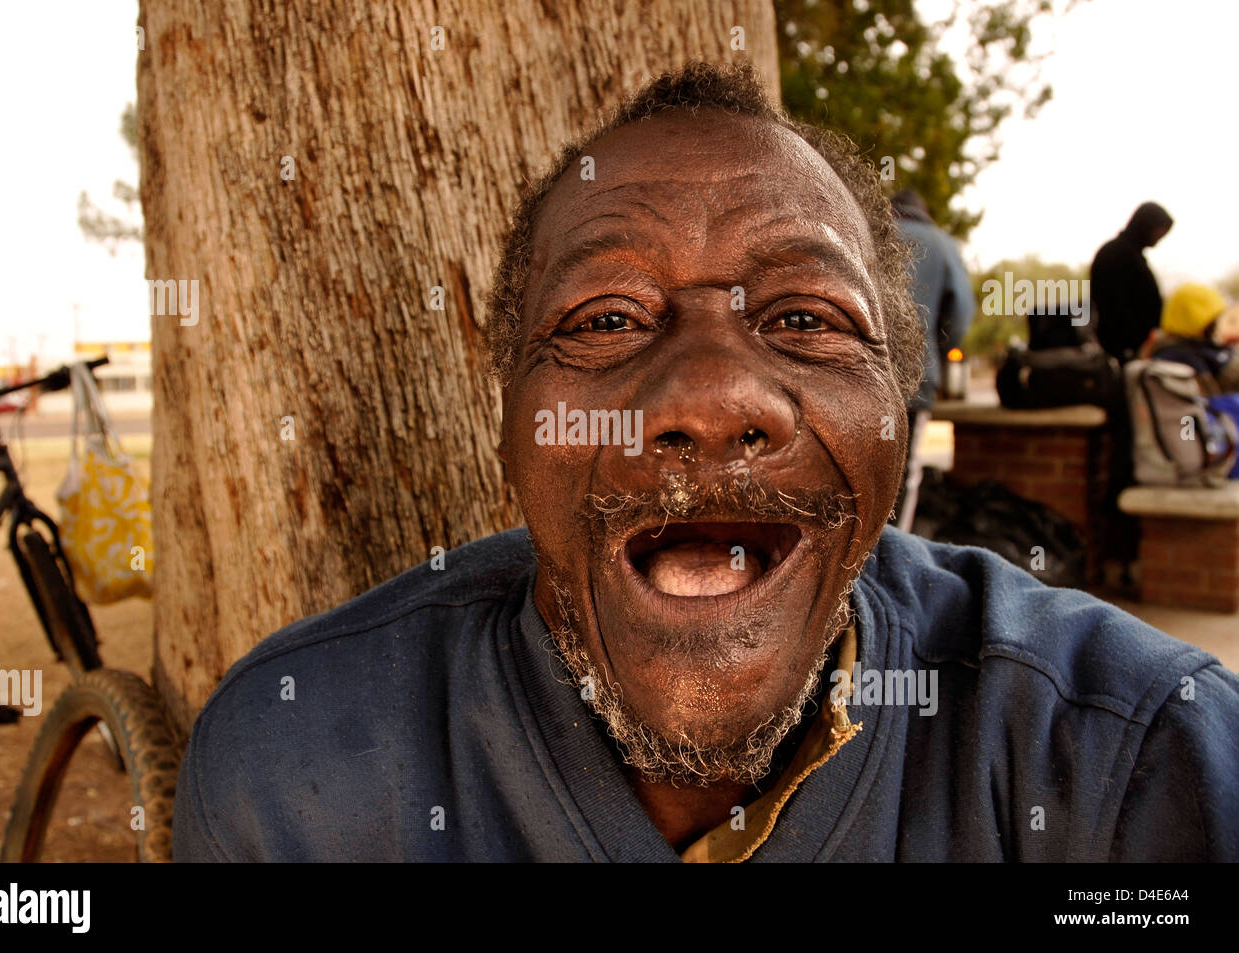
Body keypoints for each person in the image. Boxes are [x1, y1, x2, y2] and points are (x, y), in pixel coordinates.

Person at [173, 62, 1238, 862]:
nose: (710, 395)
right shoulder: (297, 767)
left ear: (893, 407)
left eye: (804, 317)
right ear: (507, 419)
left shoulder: (1131, 764)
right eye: (605, 318)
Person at [888, 189, 974, 531]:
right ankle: (889, 559)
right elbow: (961, 313)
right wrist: (937, 348)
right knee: (904, 470)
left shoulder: (865, 232)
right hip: (914, 375)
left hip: (853, 372)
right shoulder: (943, 246)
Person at [1091, 202, 1174, 362]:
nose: (1160, 238)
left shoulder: (1131, 254)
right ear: (1147, 225)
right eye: (1160, 231)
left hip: (1135, 346)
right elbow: (1113, 304)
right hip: (1123, 349)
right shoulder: (1116, 254)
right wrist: (1134, 342)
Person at [1145, 283, 1239, 395]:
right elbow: (1212, 396)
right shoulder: (1183, 355)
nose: (1216, 325)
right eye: (1214, 319)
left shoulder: (1174, 347)